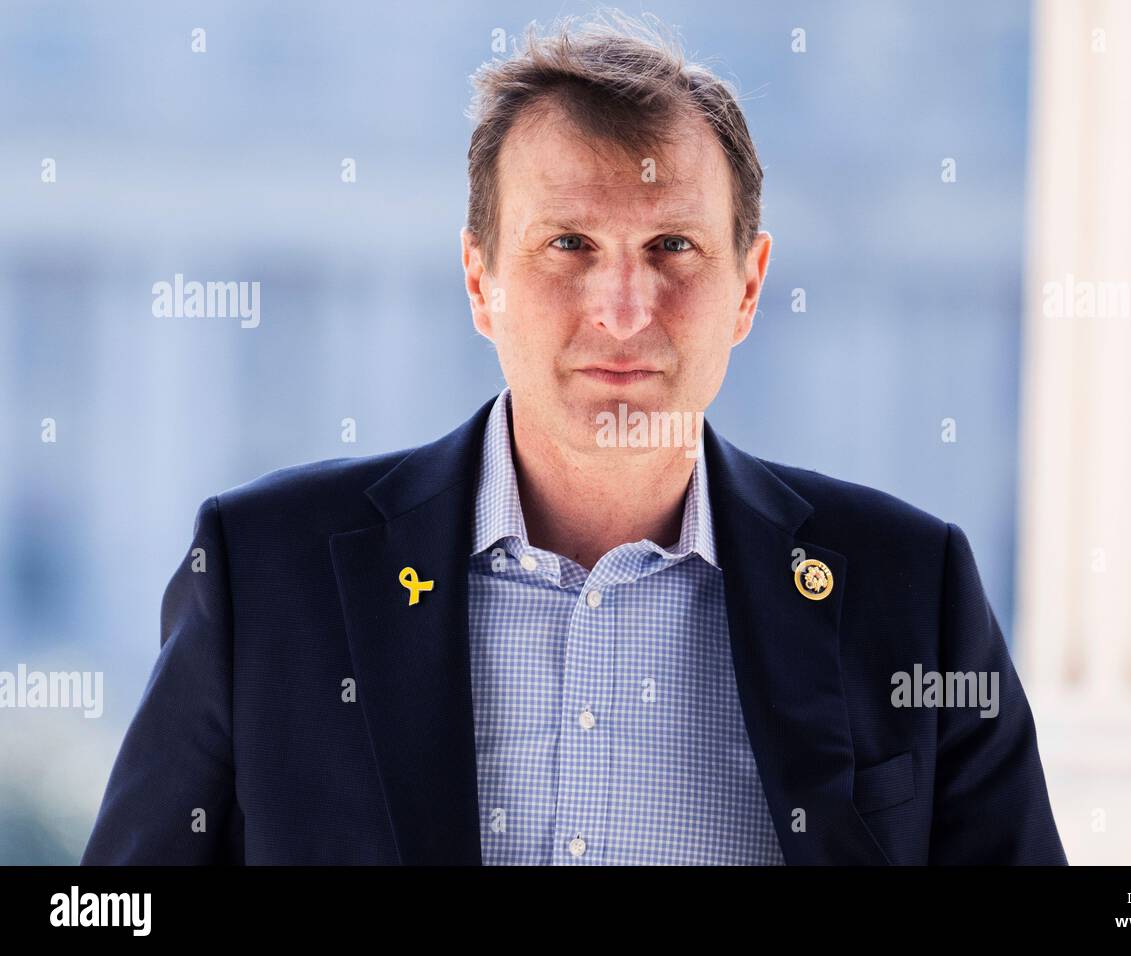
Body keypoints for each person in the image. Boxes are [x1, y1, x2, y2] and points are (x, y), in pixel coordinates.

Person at [82, 10, 1066, 865]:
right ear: (480, 282)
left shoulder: (909, 590)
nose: (624, 308)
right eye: (569, 246)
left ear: (749, 286)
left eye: (671, 247)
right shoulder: (269, 576)